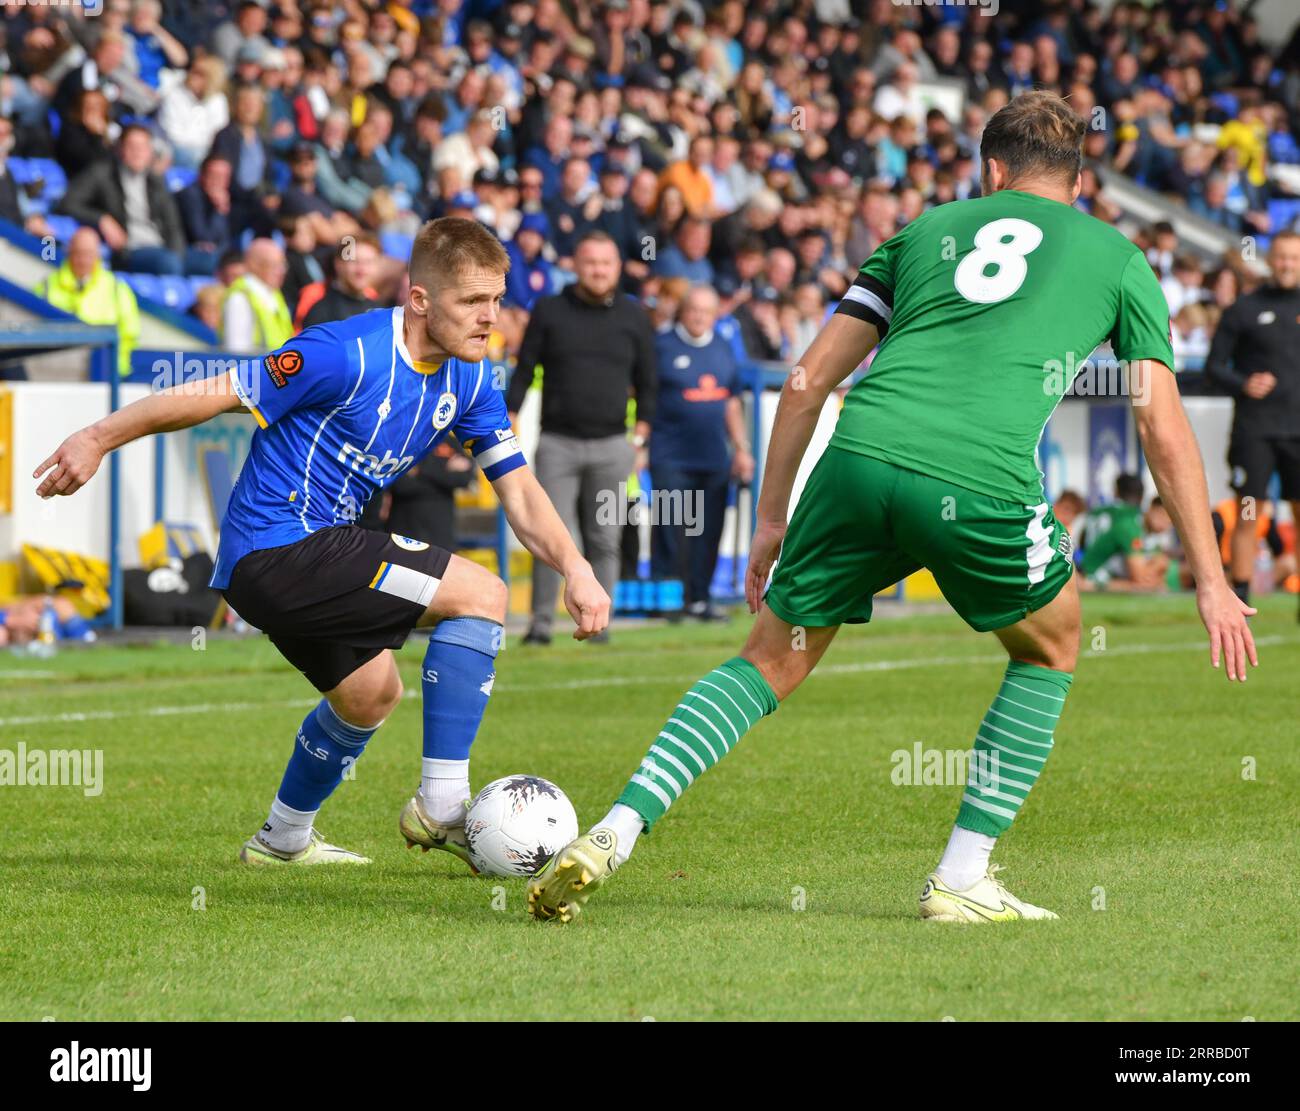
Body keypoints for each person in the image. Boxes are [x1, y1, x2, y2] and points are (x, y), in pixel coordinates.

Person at [529, 91, 1256, 925]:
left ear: (991, 171)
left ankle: (613, 830)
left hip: (859, 458)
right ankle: (961, 875)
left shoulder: (919, 234)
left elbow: (804, 382)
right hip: (980, 476)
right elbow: (1161, 423)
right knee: (1052, 642)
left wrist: (771, 522)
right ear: (1080, 182)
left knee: (767, 660)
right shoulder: (1121, 258)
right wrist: (1209, 576)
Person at [33, 217, 610, 867]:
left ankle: (281, 840)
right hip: (279, 546)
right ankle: (443, 808)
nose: (491, 318)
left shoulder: (472, 379)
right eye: (473, 302)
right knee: (483, 593)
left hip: (317, 555)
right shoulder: (344, 351)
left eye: (498, 300)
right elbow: (216, 392)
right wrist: (97, 437)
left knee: (371, 694)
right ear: (419, 300)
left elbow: (521, 489)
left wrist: (575, 566)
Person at [506, 230, 657, 646]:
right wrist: (510, 416)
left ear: (618, 268)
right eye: (591, 263)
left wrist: (640, 439)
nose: (598, 271)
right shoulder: (550, 310)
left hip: (613, 446)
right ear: (575, 264)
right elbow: (524, 369)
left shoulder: (634, 316)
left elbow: (648, 383)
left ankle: (597, 625)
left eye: (606, 264)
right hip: (557, 443)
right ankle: (539, 625)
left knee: (604, 538)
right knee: (548, 536)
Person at [1204, 230, 1300, 612]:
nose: (1287, 264)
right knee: (1249, 511)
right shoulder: (1243, 308)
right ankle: (1242, 598)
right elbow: (1213, 368)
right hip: (1254, 430)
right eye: (1280, 257)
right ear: (1269, 259)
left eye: (1294, 257)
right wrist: (1244, 382)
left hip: (1298, 431)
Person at [650, 285, 754, 620]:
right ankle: (667, 600)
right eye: (694, 309)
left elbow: (731, 402)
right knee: (671, 527)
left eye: (706, 311)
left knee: (708, 531)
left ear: (715, 315)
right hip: (670, 454)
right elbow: (643, 394)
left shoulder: (723, 348)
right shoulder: (661, 345)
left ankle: (700, 598)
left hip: (712, 457)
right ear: (683, 310)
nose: (699, 317)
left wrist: (741, 448)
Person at [58, 124, 186, 276]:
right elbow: (67, 203)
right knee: (168, 264)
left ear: (150, 152)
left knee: (210, 263)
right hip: (130, 251)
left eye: (143, 147)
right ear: (120, 149)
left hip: (161, 248)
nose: (137, 152)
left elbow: (173, 227)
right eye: (132, 146)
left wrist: (177, 255)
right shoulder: (101, 174)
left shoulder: (157, 182)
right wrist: (102, 219)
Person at [35, 227, 140, 376]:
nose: (83, 260)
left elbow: (129, 336)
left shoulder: (117, 289)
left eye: (88, 254)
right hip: (53, 374)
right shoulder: (46, 287)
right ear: (69, 252)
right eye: (78, 253)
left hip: (104, 377)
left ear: (98, 255)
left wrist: (112, 370)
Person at [1077, 474, 1168, 592]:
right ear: (1147, 502)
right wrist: (1161, 564)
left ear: (1115, 491)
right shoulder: (1130, 521)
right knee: (1144, 586)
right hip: (1094, 575)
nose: (1166, 521)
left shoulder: (1100, 510)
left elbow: (1082, 539)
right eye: (1162, 514)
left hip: (1087, 568)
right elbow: (1141, 578)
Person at [221, 238, 293, 353]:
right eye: (274, 265)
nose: (282, 271)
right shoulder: (240, 298)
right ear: (254, 265)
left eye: (283, 264)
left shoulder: (274, 294)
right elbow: (236, 352)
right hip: (256, 369)